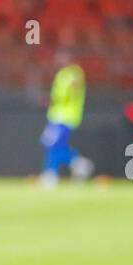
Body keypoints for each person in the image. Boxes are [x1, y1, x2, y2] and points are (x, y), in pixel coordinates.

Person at [40, 50, 92, 187]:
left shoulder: (75, 72)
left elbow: (76, 87)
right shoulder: (61, 75)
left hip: (66, 116)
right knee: (56, 144)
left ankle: (50, 174)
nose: (59, 61)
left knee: (53, 144)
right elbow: (57, 96)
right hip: (56, 116)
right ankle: (78, 163)